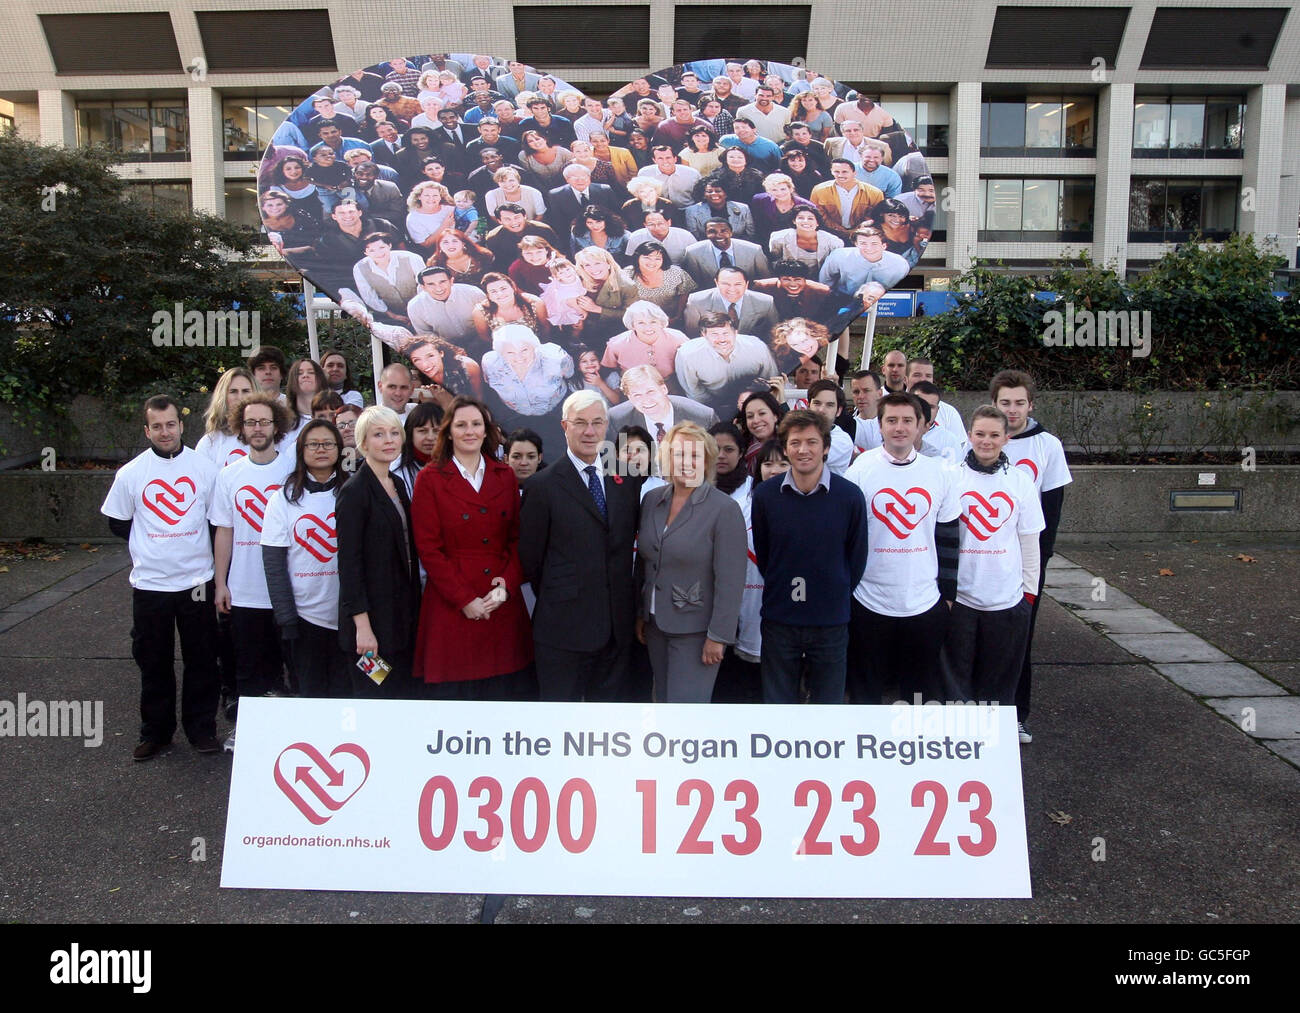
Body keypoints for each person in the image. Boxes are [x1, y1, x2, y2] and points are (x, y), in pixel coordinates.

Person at [101, 396, 222, 760]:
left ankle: (202, 730)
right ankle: (156, 733)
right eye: (157, 426)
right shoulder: (131, 474)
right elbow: (118, 522)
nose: (165, 432)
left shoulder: (204, 469)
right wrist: (152, 546)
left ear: (182, 426)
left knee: (202, 659)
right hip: (151, 585)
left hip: (198, 582)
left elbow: (217, 522)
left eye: (171, 424)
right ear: (147, 430)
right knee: (153, 660)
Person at [519, 390, 645, 701]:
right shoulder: (541, 486)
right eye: (580, 423)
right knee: (562, 725)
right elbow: (531, 560)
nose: (589, 431)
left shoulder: (626, 481)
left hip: (617, 630)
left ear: (606, 427)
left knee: (607, 730)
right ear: (564, 426)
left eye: (597, 423)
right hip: (563, 632)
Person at [411, 398, 535, 698]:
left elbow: (518, 540)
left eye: (476, 424)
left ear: (486, 430)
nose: (470, 431)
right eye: (461, 424)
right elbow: (428, 549)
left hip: (501, 604)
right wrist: (465, 599)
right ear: (449, 432)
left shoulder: (504, 476)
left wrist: (504, 586)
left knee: (505, 698)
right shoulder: (429, 478)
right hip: (452, 604)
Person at [843, 392, 961, 706]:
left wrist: (948, 595)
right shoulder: (858, 472)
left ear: (921, 425)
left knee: (921, 693)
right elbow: (848, 538)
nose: (899, 427)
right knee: (865, 690)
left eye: (908, 420)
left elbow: (948, 537)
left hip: (924, 602)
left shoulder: (939, 474)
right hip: (868, 602)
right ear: (879, 426)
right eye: (891, 420)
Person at [751, 409, 867, 704]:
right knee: (778, 704)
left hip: (830, 621)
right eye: (795, 442)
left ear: (826, 447)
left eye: (812, 442)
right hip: (780, 619)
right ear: (786, 448)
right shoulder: (765, 495)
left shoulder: (850, 496)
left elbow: (856, 559)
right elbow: (766, 555)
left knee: (827, 705)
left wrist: (830, 592)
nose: (803, 450)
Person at [209, 393, 297, 750]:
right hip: (244, 589)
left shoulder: (293, 470)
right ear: (240, 429)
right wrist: (220, 583)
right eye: (250, 423)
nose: (257, 428)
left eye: (264, 421)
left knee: (289, 665)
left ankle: (293, 733)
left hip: (288, 589)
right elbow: (224, 531)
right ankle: (247, 731)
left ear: (276, 425)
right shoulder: (229, 475)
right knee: (248, 667)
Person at [941, 405, 1045, 706]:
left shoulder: (1020, 482)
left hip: (1007, 599)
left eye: (994, 435)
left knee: (998, 681)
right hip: (960, 598)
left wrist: (1029, 595)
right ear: (970, 436)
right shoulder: (952, 480)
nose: (986, 441)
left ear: (1006, 438)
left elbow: (1030, 542)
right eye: (980, 434)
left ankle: (994, 741)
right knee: (956, 680)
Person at [635, 424, 747, 703]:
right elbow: (646, 564)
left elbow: (731, 581)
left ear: (707, 460)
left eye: (695, 455)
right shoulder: (651, 500)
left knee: (687, 713)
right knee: (662, 702)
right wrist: (641, 612)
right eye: (678, 454)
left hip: (698, 633)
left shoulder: (724, 509)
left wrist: (718, 636)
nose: (686, 462)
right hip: (655, 626)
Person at [991, 369, 1072, 743]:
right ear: (994, 404)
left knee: (1020, 637)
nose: (1012, 410)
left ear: (1031, 405)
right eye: (1005, 402)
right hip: (984, 557)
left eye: (1019, 402)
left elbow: (1051, 509)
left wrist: (1038, 563)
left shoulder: (1047, 446)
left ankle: (1016, 714)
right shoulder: (982, 440)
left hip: (1025, 560)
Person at [261, 420, 351, 699]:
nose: (321, 450)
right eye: (313, 444)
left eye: (328, 443)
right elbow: (274, 564)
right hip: (305, 619)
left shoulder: (355, 490)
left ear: (339, 449)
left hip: (350, 618)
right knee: (310, 696)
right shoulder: (283, 499)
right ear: (301, 450)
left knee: (348, 694)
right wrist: (287, 619)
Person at [336, 405, 422, 697]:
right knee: (375, 696)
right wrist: (363, 627)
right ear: (363, 443)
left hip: (400, 620)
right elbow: (349, 565)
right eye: (379, 434)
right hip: (369, 630)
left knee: (401, 696)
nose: (389, 440)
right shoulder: (354, 492)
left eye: (394, 433)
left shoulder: (396, 483)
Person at [608, 364, 717, 443]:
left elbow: (717, 461)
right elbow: (616, 464)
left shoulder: (703, 417)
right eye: (637, 395)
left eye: (650, 391)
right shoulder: (616, 419)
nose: (646, 400)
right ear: (629, 398)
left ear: (664, 389)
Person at [600, 301, 689, 385]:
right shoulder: (616, 344)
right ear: (633, 325)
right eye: (641, 323)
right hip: (635, 385)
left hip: (672, 381)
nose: (648, 328)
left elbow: (690, 361)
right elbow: (609, 368)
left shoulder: (678, 337)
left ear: (660, 322)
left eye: (653, 322)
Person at [352, 231, 425, 327]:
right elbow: (369, 296)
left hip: (422, 307)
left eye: (382, 247)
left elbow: (425, 285)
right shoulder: (360, 268)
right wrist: (393, 316)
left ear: (389, 245)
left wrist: (416, 311)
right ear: (365, 252)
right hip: (392, 315)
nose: (378, 253)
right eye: (372, 250)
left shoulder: (411, 258)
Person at [682, 266, 778, 339]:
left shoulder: (765, 302)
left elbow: (774, 334)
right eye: (725, 284)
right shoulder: (696, 302)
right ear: (716, 282)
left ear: (747, 284)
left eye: (738, 284)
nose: (732, 289)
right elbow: (693, 336)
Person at [819, 226, 911, 300]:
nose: (868, 248)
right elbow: (825, 280)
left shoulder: (900, 264)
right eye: (863, 243)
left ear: (884, 246)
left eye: (874, 244)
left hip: (882, 301)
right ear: (856, 244)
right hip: (845, 298)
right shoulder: (839, 256)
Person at [810, 160, 886, 243]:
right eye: (836, 171)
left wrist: (858, 229)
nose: (840, 175)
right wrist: (839, 230)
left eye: (844, 172)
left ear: (854, 173)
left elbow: (875, 216)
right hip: (831, 233)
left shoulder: (875, 193)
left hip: (863, 234)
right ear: (831, 172)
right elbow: (818, 214)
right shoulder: (819, 190)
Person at [406, 266, 485, 346]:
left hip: (482, 339)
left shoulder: (473, 293)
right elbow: (426, 336)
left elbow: (491, 317)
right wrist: (450, 349)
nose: (438, 288)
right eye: (431, 284)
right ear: (423, 287)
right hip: (446, 347)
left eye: (442, 282)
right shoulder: (414, 307)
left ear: (451, 281)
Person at [196, 367, 257, 469]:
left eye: (246, 391)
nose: (240, 397)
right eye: (233, 391)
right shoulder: (209, 443)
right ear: (223, 396)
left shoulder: (270, 436)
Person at [623, 240, 696, 326]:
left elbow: (685, 293)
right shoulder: (627, 274)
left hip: (673, 319)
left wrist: (678, 316)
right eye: (647, 257)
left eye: (657, 259)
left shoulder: (675, 273)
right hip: (640, 322)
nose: (652, 262)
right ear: (637, 257)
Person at [681, 220, 770, 288]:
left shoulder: (753, 250)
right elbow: (693, 285)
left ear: (731, 232)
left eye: (723, 231)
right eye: (712, 231)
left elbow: (766, 279)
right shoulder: (693, 252)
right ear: (706, 234)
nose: (719, 235)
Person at [472, 272, 549, 347]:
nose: (500, 294)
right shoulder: (481, 311)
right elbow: (485, 338)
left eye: (503, 288)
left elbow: (546, 330)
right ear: (488, 296)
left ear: (513, 288)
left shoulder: (534, 303)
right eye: (493, 291)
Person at [545, 163, 618, 235]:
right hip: (573, 235)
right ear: (567, 180)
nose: (580, 180)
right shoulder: (556, 195)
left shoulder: (604, 190)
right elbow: (558, 222)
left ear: (589, 177)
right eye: (574, 177)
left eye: (583, 176)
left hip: (605, 232)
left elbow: (615, 214)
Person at [484, 203, 561, 271]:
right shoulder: (494, 237)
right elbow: (497, 265)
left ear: (525, 216)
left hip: (548, 268)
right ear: (499, 221)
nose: (513, 222)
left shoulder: (543, 229)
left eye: (517, 217)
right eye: (507, 219)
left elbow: (557, 252)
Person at [390, 402, 441, 501]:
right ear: (410, 433)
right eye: (422, 431)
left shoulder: (457, 465)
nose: (430, 437)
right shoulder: (396, 471)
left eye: (436, 431)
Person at [767, 205, 842, 273]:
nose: (805, 221)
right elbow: (775, 262)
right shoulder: (779, 238)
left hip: (821, 281)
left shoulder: (833, 242)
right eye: (801, 218)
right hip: (790, 280)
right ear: (794, 221)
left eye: (810, 218)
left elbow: (836, 266)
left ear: (817, 223)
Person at [906, 357, 966, 440]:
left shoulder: (949, 412)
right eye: (917, 375)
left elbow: (960, 446)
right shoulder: (893, 407)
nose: (923, 380)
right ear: (905, 379)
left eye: (928, 376)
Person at [806, 378, 855, 474]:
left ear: (839, 411)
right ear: (808, 406)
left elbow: (807, 456)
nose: (821, 410)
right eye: (817, 403)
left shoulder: (843, 441)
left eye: (829, 405)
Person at [684, 178, 754, 239]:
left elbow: (750, 234)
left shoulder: (743, 208)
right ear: (704, 194)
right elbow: (694, 237)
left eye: (718, 191)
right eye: (709, 191)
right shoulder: (692, 211)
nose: (713, 194)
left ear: (726, 193)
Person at [426, 228, 495, 288]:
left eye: (455, 241)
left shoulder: (483, 255)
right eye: (445, 242)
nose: (451, 245)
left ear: (463, 243)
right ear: (439, 246)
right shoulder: (434, 264)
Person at [624, 209, 695, 265]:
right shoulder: (636, 237)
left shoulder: (685, 236)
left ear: (669, 222)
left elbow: (695, 258)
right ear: (645, 225)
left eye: (660, 223)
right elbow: (630, 259)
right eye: (651, 224)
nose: (657, 228)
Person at [737, 390, 784, 471]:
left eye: (762, 413)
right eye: (750, 416)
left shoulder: (788, 445)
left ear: (775, 416)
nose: (756, 420)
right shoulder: (739, 448)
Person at [405, 181, 455, 251]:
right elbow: (426, 245)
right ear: (419, 197)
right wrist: (444, 226)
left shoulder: (450, 209)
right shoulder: (413, 218)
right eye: (426, 195)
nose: (431, 198)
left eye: (435, 195)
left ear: (441, 197)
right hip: (437, 251)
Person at [286, 358, 327, 430]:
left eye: (311, 372)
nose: (305, 375)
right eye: (299, 373)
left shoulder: (334, 415)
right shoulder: (284, 421)